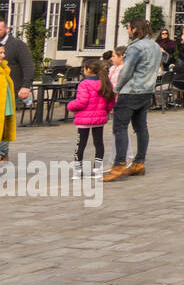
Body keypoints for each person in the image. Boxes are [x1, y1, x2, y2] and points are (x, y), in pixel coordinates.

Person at [103, 17, 162, 182]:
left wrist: (116, 88)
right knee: (141, 127)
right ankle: (139, 162)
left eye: (128, 28)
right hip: (147, 90)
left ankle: (119, 164)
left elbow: (126, 71)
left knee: (120, 127)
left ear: (135, 29)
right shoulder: (155, 46)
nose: (127, 31)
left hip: (131, 91)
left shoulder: (135, 47)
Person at [66, 58, 115, 178]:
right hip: (99, 119)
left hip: (84, 119)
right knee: (98, 143)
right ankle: (97, 169)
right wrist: (105, 112)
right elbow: (110, 101)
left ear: (88, 69)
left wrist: (70, 106)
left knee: (80, 144)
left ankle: (78, 171)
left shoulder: (84, 83)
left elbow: (82, 101)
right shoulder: (105, 82)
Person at [0, 20, 33, 164]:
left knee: (4, 125)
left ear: (6, 28)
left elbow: (28, 65)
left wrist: (26, 85)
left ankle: (3, 156)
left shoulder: (18, 45)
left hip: (9, 93)